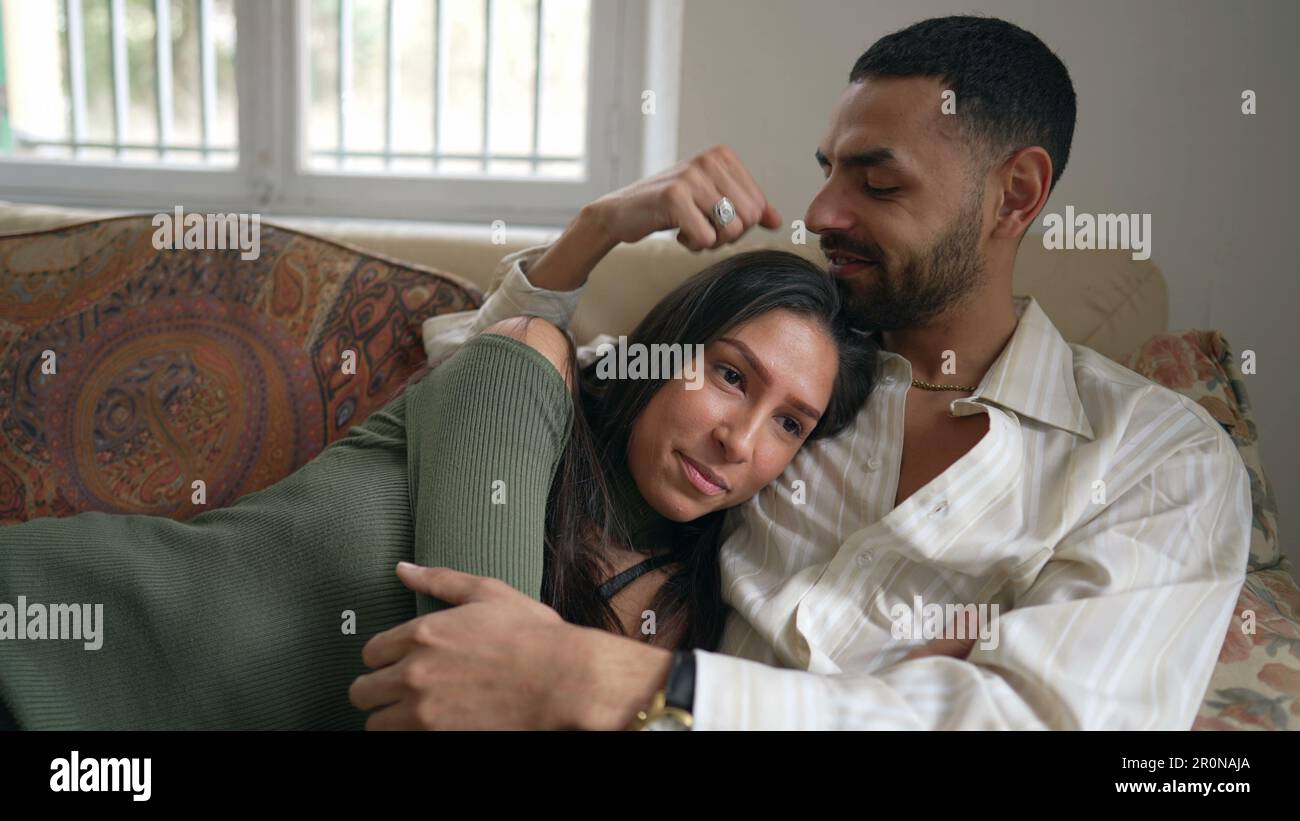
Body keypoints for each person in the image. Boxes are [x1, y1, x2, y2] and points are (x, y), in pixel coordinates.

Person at [350, 15, 1253, 730]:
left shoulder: (1155, 457)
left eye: (878, 183)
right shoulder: (790, 358)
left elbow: (1049, 723)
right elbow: (491, 379)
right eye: (829, 173)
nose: (821, 210)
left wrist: (634, 683)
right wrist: (601, 225)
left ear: (1014, 194)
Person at [0, 248, 879, 730]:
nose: (740, 437)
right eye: (730, 375)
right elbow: (461, 677)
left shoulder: (688, 623)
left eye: (789, 423)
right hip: (49, 639)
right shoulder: (526, 373)